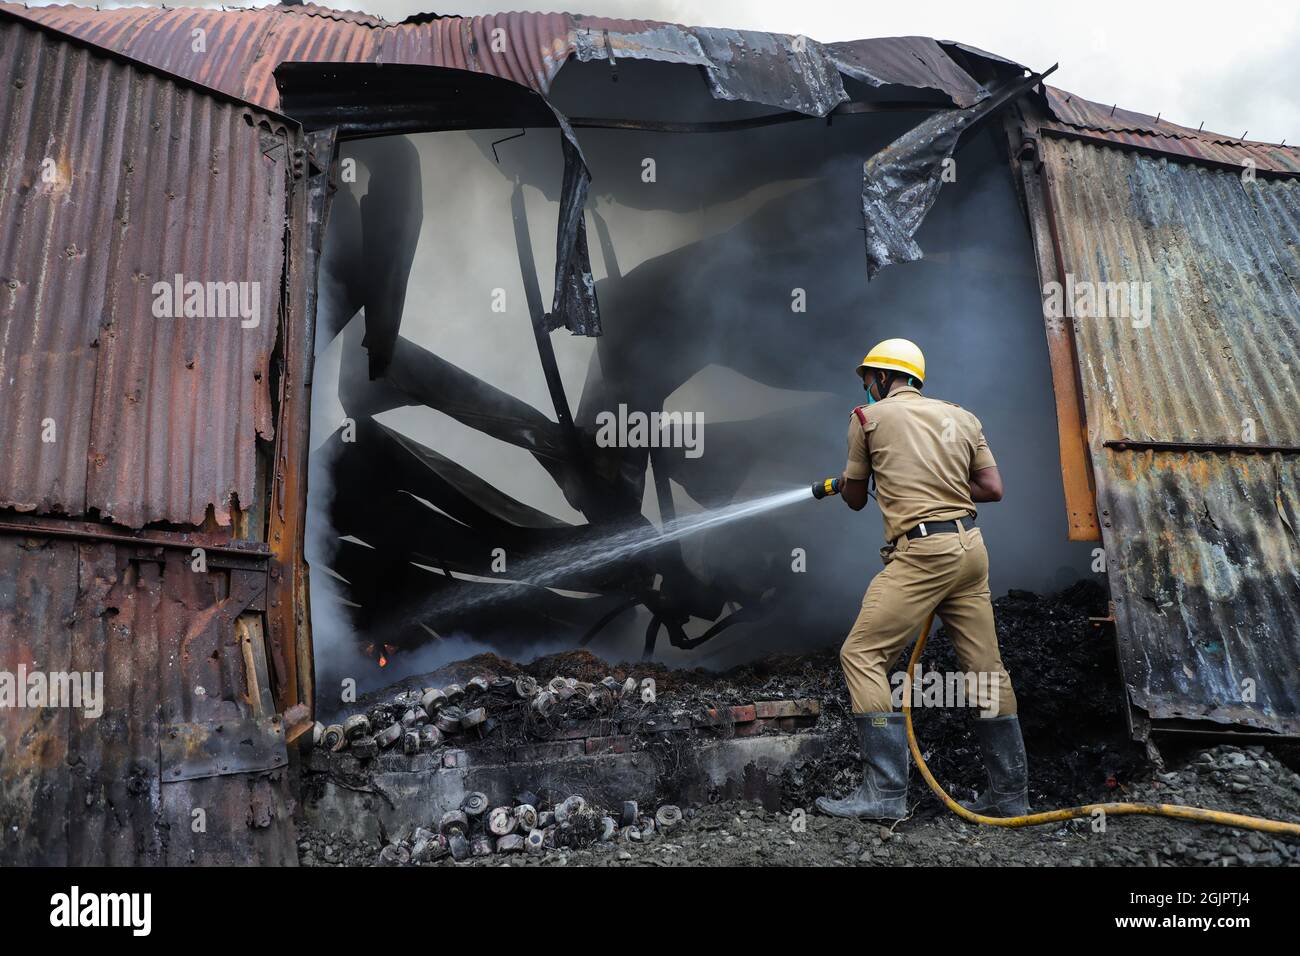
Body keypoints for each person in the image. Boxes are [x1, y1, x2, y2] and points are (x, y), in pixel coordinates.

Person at [815, 338, 1028, 820]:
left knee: (862, 655)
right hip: (970, 550)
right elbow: (992, 488)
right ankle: (1010, 796)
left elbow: (854, 498)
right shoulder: (963, 417)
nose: (868, 387)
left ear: (884, 378)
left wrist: (852, 483)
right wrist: (939, 484)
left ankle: (884, 794)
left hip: (924, 553)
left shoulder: (867, 419)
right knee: (987, 671)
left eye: (870, 379)